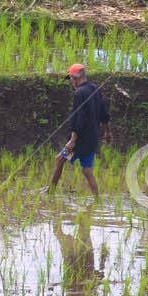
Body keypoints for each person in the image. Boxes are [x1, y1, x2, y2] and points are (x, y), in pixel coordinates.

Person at [50, 63, 110, 197]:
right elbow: (103, 111)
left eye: (71, 79)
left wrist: (72, 140)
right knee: (87, 170)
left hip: (78, 141)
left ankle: (50, 192)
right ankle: (97, 199)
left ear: (75, 78)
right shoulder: (94, 88)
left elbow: (79, 118)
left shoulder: (79, 93)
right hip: (91, 139)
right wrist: (107, 131)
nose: (71, 82)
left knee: (60, 159)